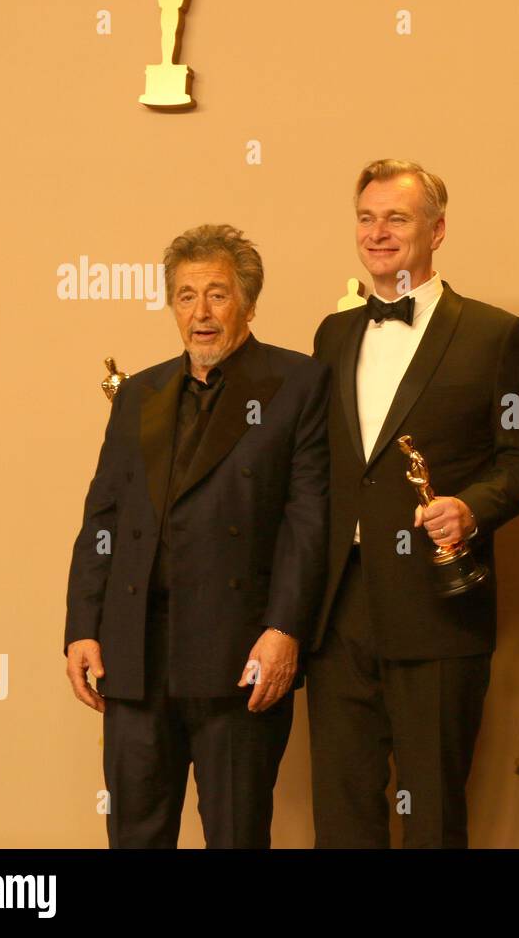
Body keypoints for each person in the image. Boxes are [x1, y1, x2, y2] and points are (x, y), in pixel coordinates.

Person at [64, 224, 330, 848]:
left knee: (236, 838)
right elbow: (102, 518)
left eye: (216, 294)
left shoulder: (297, 384)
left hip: (238, 660)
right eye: (185, 296)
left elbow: (308, 518)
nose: (200, 313)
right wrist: (83, 624)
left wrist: (285, 629)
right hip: (135, 659)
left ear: (249, 303)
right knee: (134, 838)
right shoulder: (139, 393)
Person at [309, 159, 519, 848]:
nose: (378, 233)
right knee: (342, 813)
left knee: (433, 814)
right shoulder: (333, 333)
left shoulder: (496, 333)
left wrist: (471, 508)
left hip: (439, 610)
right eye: (367, 217)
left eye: (396, 218)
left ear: (437, 230)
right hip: (338, 608)